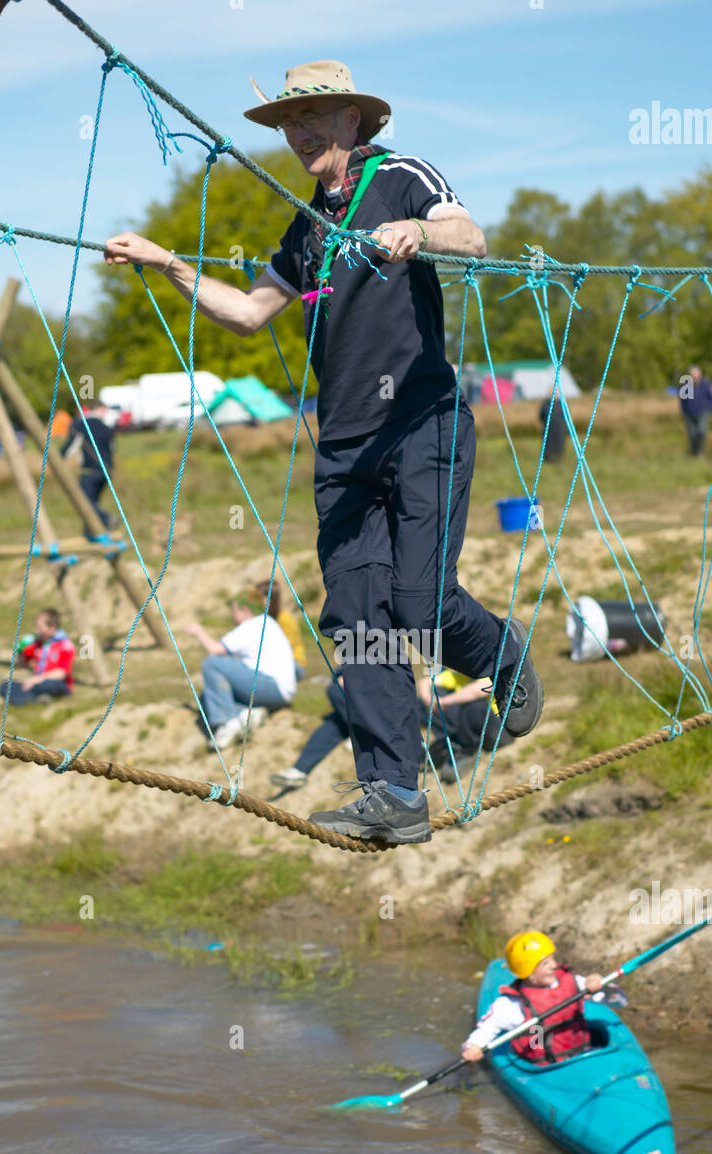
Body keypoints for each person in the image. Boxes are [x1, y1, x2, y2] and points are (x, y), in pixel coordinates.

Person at [104, 58, 543, 846]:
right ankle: (392, 792)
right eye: (286, 125)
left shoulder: (399, 175)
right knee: (354, 620)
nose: (298, 135)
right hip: (342, 448)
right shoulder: (307, 222)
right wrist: (166, 264)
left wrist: (420, 231)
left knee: (420, 604)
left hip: (418, 426)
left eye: (312, 119)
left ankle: (502, 651)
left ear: (353, 121)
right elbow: (247, 312)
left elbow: (470, 235)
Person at [270, 664, 507, 790]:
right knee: (336, 716)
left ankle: (306, 765)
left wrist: (442, 701)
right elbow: (426, 681)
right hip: (407, 705)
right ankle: (301, 769)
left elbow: (479, 689)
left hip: (486, 726)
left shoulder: (488, 670)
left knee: (338, 698)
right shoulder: (455, 675)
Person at [462, 930, 615, 1066]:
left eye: (552, 959)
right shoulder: (511, 1004)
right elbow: (487, 1028)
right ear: (528, 971)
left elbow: (619, 1000)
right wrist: (473, 1046)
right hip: (546, 1068)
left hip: (584, 1055)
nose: (554, 965)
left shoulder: (573, 982)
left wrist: (600, 985)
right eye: (545, 963)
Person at [185, 599, 297, 749]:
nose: (233, 617)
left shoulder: (252, 625)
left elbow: (216, 650)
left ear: (244, 610)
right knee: (207, 697)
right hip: (282, 693)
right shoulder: (269, 623)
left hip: (271, 686)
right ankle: (247, 714)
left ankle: (228, 723)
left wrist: (199, 632)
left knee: (212, 663)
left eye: (234, 612)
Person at [0, 608, 76, 705]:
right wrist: (20, 650)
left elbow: (61, 673)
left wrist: (38, 679)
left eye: (39, 627)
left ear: (52, 628)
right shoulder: (37, 644)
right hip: (36, 682)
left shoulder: (65, 645)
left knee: (48, 685)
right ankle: (37, 699)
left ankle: (29, 698)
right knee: (5, 686)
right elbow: (21, 664)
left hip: (56, 683)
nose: (35, 630)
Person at [64, 405, 118, 536]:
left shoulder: (80, 425)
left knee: (85, 502)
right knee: (92, 502)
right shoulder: (107, 428)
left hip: (90, 471)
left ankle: (106, 519)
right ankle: (90, 532)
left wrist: (59, 456)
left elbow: (70, 445)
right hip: (107, 471)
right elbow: (113, 449)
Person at [251, 578, 307, 676]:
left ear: (269, 599)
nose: (255, 602)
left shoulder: (284, 620)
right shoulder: (262, 618)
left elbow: (285, 650)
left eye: (258, 598)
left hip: (294, 663)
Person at [679, 365, 712, 457]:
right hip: (689, 413)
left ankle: (699, 451)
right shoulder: (685, 385)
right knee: (692, 434)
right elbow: (682, 400)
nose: (695, 378)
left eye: (696, 375)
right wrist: (683, 412)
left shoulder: (706, 384)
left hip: (703, 412)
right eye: (693, 375)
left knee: (701, 431)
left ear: (700, 375)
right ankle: (693, 451)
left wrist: (711, 409)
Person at [539, 391, 567, 461]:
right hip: (549, 428)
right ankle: (548, 458)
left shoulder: (561, 403)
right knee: (548, 443)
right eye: (551, 392)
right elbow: (541, 415)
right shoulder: (545, 404)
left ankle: (558, 457)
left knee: (559, 442)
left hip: (560, 428)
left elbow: (566, 415)